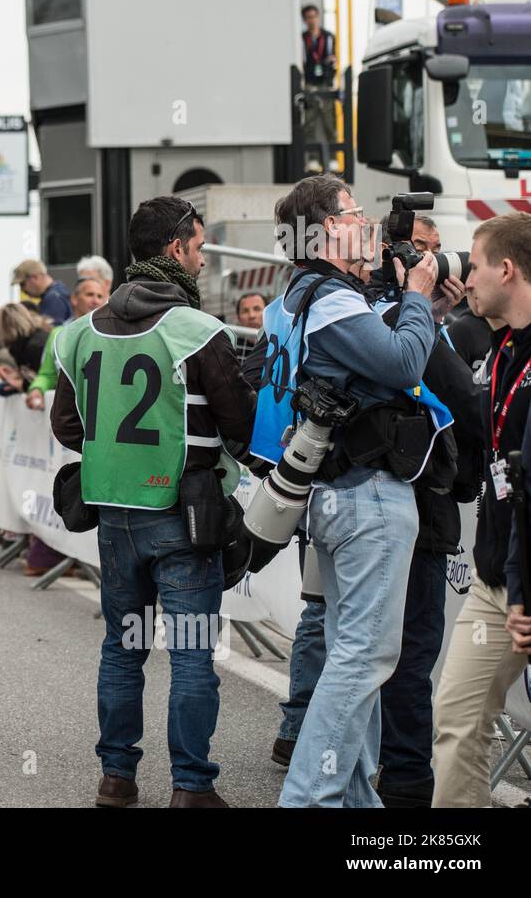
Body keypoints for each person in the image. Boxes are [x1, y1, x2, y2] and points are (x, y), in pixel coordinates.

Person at [51, 195, 255, 807]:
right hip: (184, 515)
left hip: (114, 514)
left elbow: (68, 427)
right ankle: (192, 787)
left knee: (123, 647)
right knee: (191, 653)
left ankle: (117, 779)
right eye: (196, 246)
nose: (200, 258)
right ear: (175, 249)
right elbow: (241, 422)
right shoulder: (197, 331)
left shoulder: (79, 333)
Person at [265, 219, 475, 810]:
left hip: (335, 490)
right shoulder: (333, 298)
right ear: (329, 227)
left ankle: (355, 797)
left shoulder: (304, 294)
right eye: (355, 213)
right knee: (364, 659)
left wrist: (422, 309)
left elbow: (381, 361)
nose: (370, 227)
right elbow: (406, 368)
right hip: (370, 493)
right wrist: (414, 298)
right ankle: (310, 799)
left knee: (348, 650)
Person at [433, 210, 531, 805]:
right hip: (496, 584)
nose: (464, 278)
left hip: (522, 582)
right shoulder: (500, 346)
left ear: (508, 268)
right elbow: (469, 410)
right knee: (456, 718)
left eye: (472, 266)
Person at [27, 278, 109, 411]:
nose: (96, 301)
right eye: (90, 294)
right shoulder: (58, 334)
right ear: (74, 299)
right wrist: (37, 389)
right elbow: (47, 374)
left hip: (101, 411)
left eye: (100, 296)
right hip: (69, 413)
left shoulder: (110, 334)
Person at [300, 4, 338, 172]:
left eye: (314, 16)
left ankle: (333, 159)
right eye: (308, 17)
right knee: (310, 124)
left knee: (330, 123)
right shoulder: (302, 39)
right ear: (304, 20)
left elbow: (333, 58)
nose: (312, 20)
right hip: (309, 86)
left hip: (325, 84)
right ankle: (314, 160)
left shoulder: (328, 37)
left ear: (318, 17)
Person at [12, 259, 71, 325]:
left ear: (35, 277)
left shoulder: (53, 298)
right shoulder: (57, 292)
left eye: (22, 284)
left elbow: (51, 332)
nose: (22, 290)